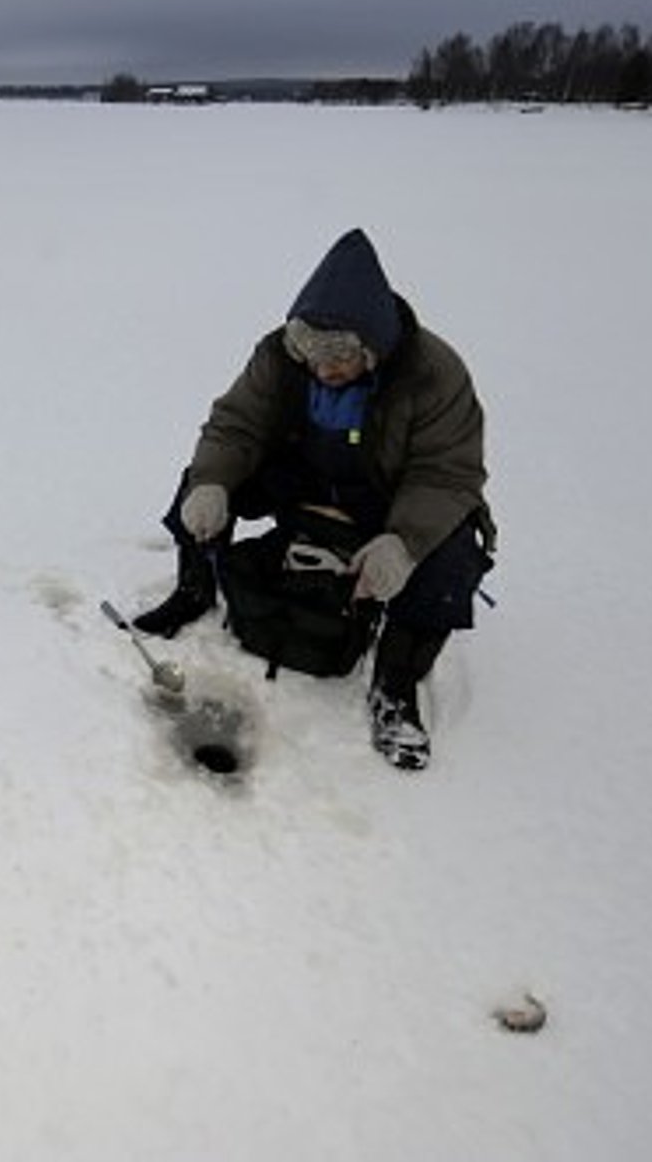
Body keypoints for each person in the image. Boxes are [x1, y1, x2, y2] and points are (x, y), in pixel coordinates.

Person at [132, 228, 495, 770]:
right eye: (311, 354)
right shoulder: (280, 356)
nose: (324, 369)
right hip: (301, 481)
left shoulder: (433, 374)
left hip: (383, 503)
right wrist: (212, 483)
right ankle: (194, 590)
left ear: (373, 342)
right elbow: (236, 427)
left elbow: (447, 476)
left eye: (341, 357)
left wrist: (404, 542)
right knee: (203, 481)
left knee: (451, 558)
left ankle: (394, 689)